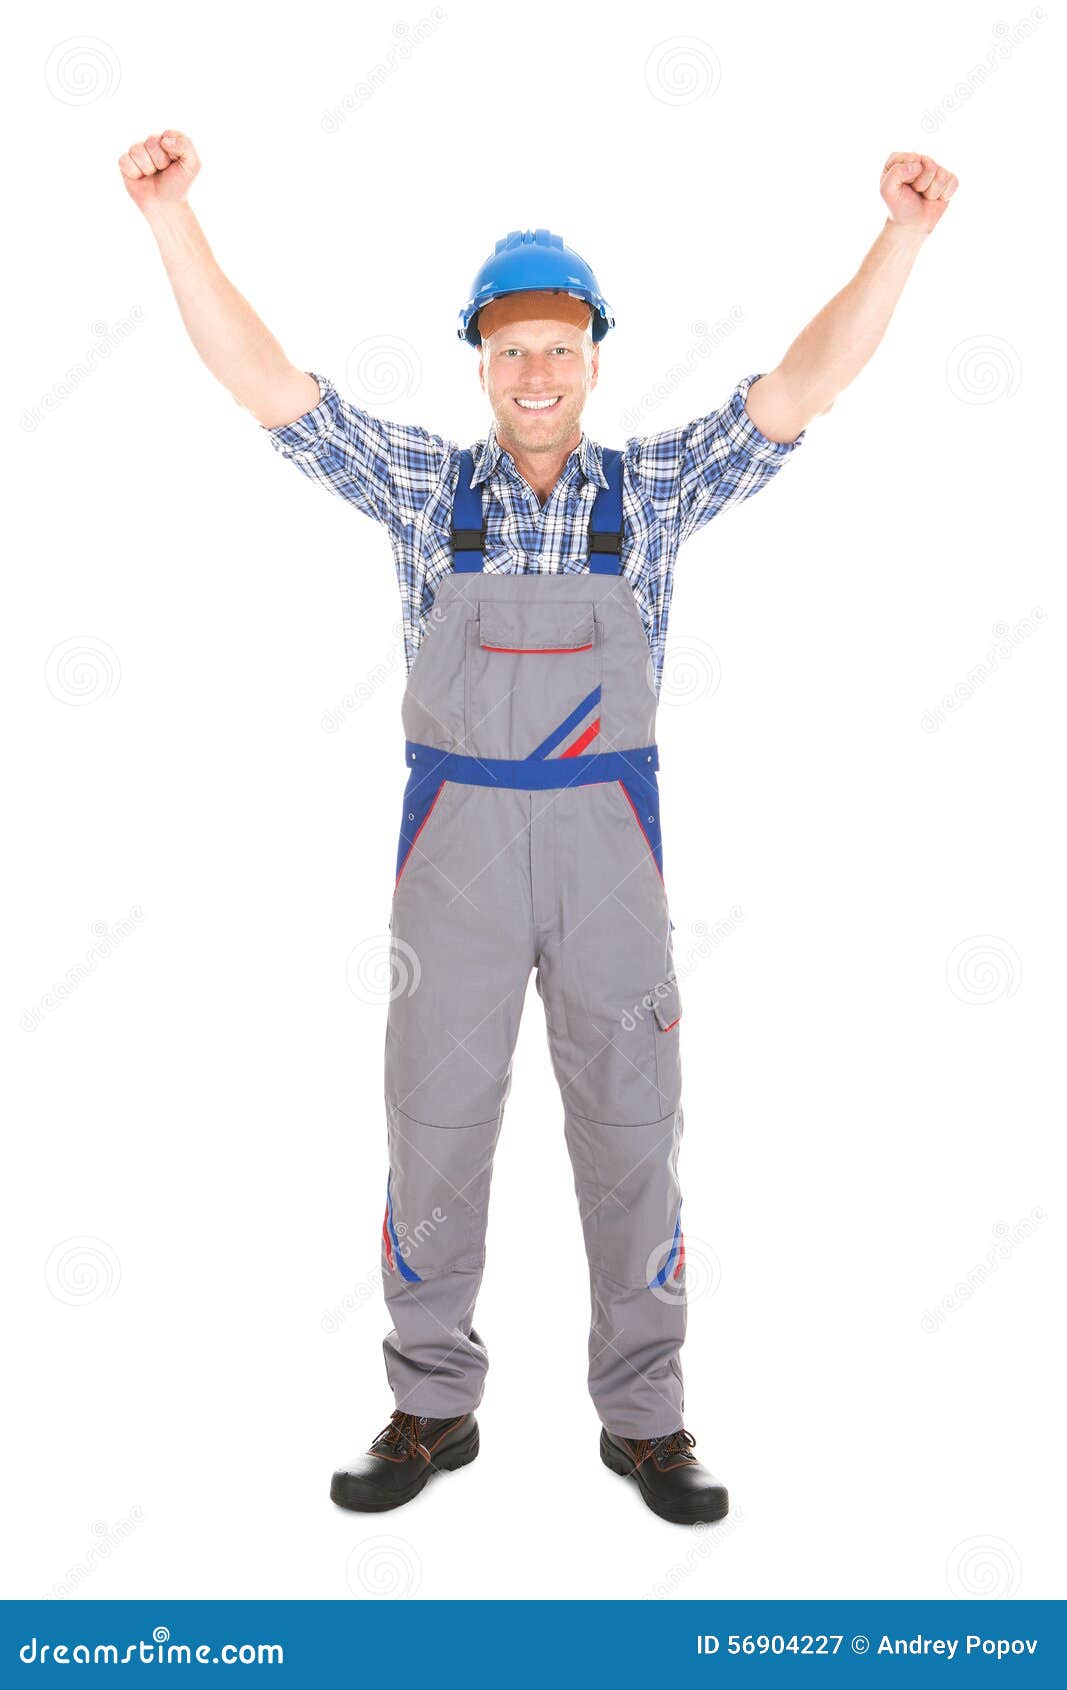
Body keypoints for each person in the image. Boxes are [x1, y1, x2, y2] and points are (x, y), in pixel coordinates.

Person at [119, 132, 958, 1526]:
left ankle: (648, 1419)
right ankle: (431, 1404)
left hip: (607, 856)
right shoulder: (421, 490)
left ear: (594, 358)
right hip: (454, 857)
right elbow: (267, 387)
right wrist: (171, 219)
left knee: (634, 1125)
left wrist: (904, 238)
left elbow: (804, 387)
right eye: (511, 349)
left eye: (560, 347)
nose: (537, 371)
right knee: (435, 1127)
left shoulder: (656, 491)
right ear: (480, 361)